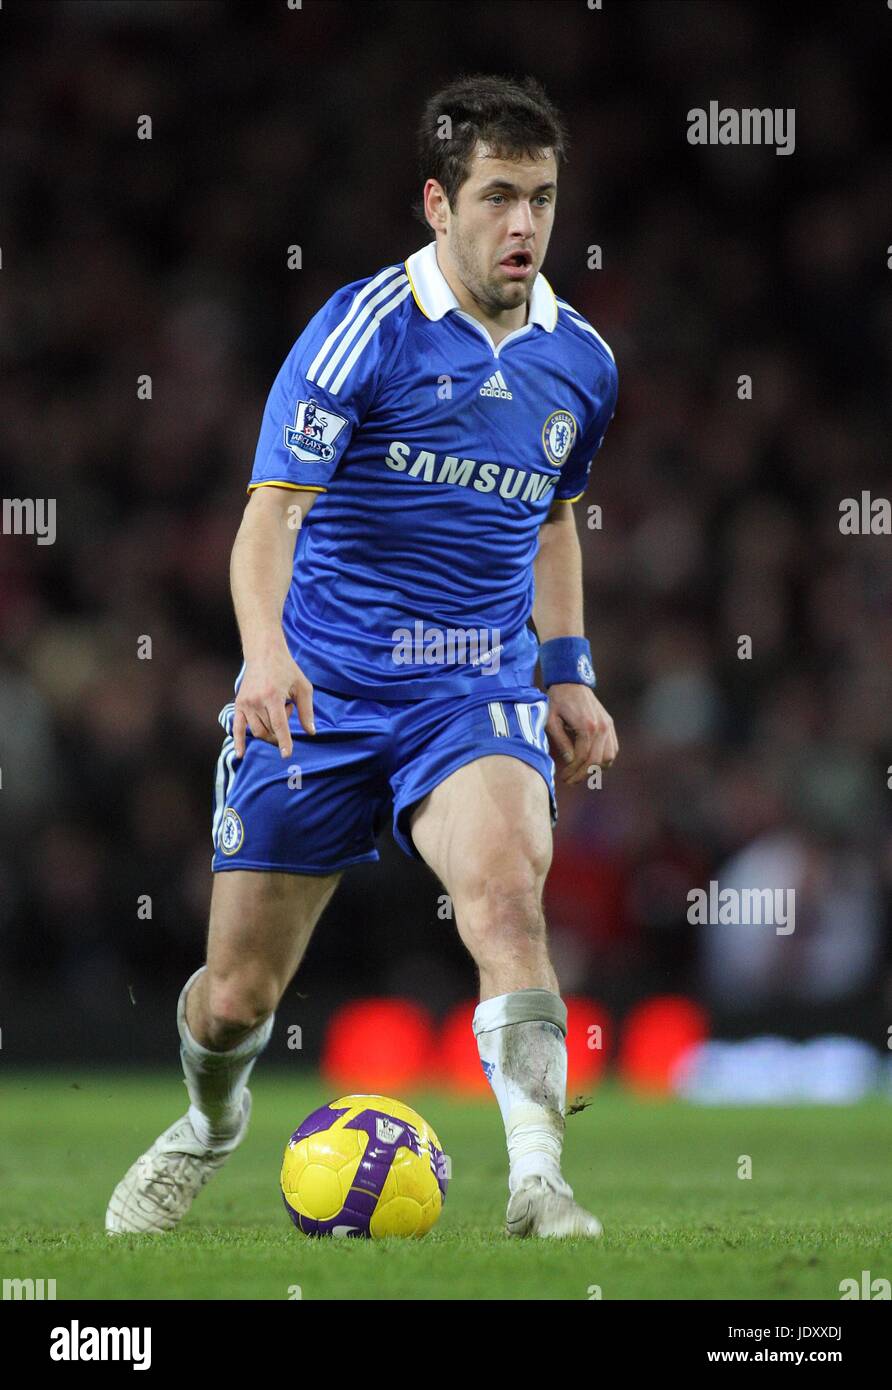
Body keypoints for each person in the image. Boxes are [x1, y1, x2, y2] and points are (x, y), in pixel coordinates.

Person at [106, 72, 619, 1240]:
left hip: (470, 686)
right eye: (498, 196)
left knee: (505, 901)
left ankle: (539, 1182)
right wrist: (263, 657)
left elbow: (550, 517)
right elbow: (269, 516)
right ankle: (211, 1119)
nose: (524, 225)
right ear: (437, 204)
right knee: (235, 999)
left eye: (541, 196)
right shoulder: (359, 333)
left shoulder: (579, 362)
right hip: (321, 691)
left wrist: (568, 667)